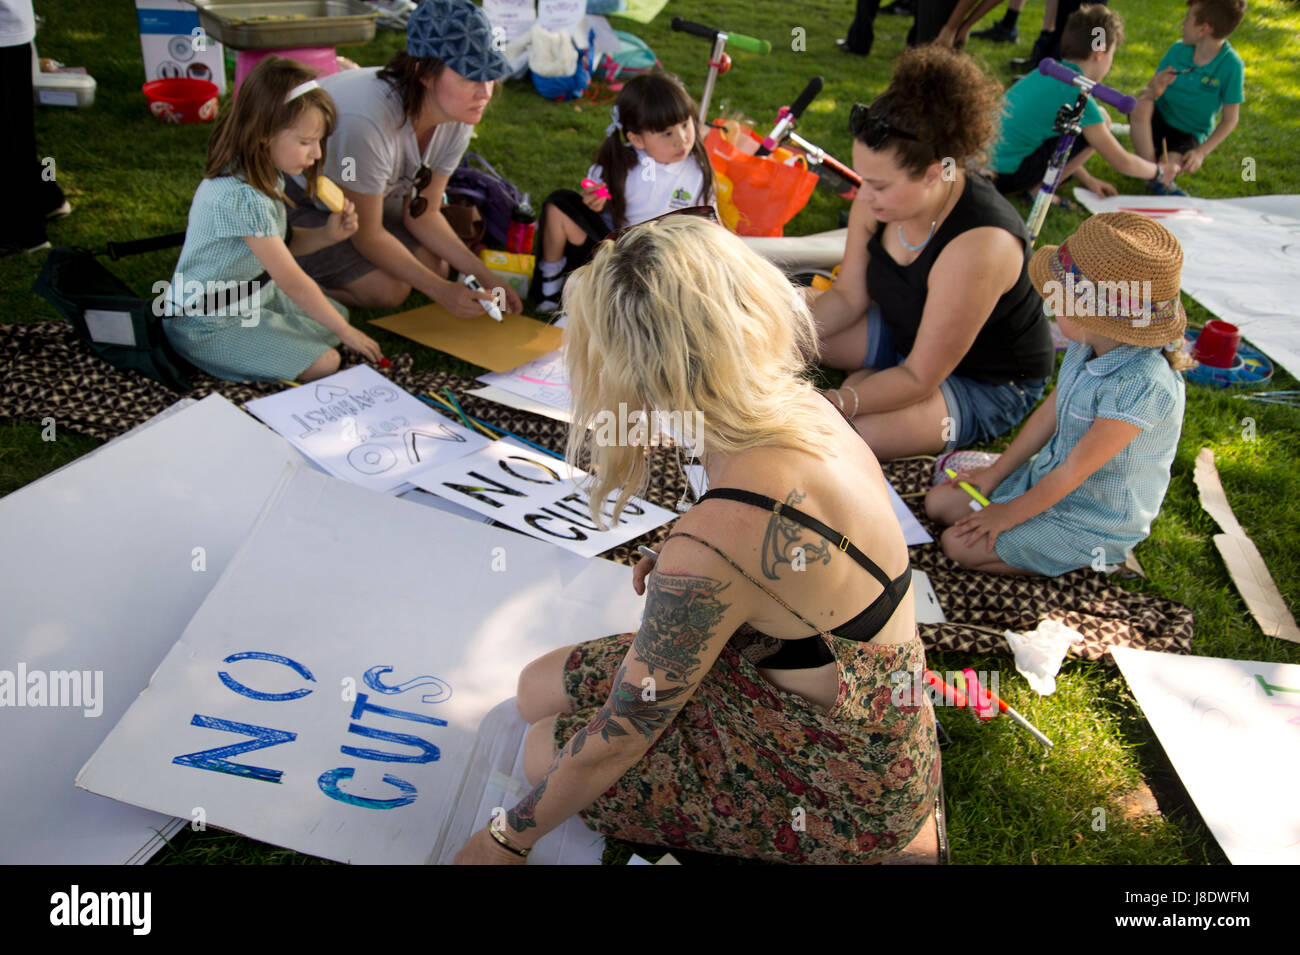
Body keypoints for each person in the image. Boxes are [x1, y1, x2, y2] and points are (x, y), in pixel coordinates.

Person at [454, 214, 945, 865]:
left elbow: (623, 734)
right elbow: (784, 572)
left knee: (543, 747)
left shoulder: (717, 537)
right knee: (533, 685)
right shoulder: (798, 405)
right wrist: (713, 583)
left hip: (844, 784)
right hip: (821, 684)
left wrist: (506, 837)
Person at [812, 46, 1055, 460]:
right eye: (863, 179)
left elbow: (920, 375)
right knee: (780, 326)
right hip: (903, 332)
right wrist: (779, 335)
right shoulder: (880, 200)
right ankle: (868, 381)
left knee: (850, 436)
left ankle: (869, 386)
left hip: (985, 380)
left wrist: (836, 401)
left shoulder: (981, 245)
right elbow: (848, 297)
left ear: (932, 175)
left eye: (880, 185)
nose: (864, 196)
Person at [925, 212, 1191, 575]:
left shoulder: (1141, 386)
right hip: (1046, 479)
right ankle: (1021, 520)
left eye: (1057, 299)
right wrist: (998, 471)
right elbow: (1051, 410)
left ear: (1090, 314)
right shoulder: (1087, 345)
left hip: (1091, 520)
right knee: (939, 503)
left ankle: (1100, 561)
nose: (1049, 305)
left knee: (957, 545)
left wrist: (1007, 514)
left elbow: (1075, 472)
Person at [285, 0, 523, 318]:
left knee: (435, 265)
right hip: (290, 195)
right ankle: (279, 280)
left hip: (352, 199)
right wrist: (442, 293)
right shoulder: (368, 124)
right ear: (424, 73)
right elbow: (366, 234)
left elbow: (424, 212)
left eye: (490, 76)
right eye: (470, 77)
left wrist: (484, 274)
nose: (485, 92)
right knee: (389, 290)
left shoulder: (459, 113)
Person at [163, 57, 382, 383]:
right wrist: (348, 334)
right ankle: (203, 356)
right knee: (327, 360)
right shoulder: (242, 195)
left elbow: (281, 246)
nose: (317, 154)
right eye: (306, 142)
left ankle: (273, 340)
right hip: (207, 321)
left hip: (254, 296)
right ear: (264, 133)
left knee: (336, 318)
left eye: (319, 142)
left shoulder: (266, 175)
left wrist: (327, 234)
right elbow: (292, 280)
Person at [532, 73, 715, 314]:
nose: (681, 139)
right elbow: (592, 191)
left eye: (685, 125)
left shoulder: (697, 170)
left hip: (667, 257)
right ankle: (551, 284)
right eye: (666, 134)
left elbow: (707, 220)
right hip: (616, 250)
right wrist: (594, 199)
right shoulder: (621, 165)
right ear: (637, 139)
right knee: (558, 205)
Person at [989, 6, 1180, 201]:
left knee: (1095, 120)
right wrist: (1159, 171)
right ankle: (1040, 191)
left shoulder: (1047, 71)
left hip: (983, 165)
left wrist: (1087, 179)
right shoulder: (1077, 95)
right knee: (1100, 122)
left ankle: (1043, 186)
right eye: (1111, 53)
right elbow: (1121, 161)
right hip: (1003, 176)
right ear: (1099, 52)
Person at [1130, 0, 1246, 196]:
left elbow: (1230, 119)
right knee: (1139, 105)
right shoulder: (1177, 50)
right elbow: (1148, 92)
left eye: (1188, 18)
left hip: (1188, 134)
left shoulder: (1232, 65)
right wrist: (1154, 89)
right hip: (1159, 120)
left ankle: (1156, 173)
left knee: (1172, 162)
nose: (1183, 23)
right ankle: (1153, 172)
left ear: (1203, 29)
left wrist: (1201, 152)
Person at [0, 0, 69, 257]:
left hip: (6, 31)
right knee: (15, 131)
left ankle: (24, 233)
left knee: (11, 136)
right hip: (10, 28)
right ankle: (47, 198)